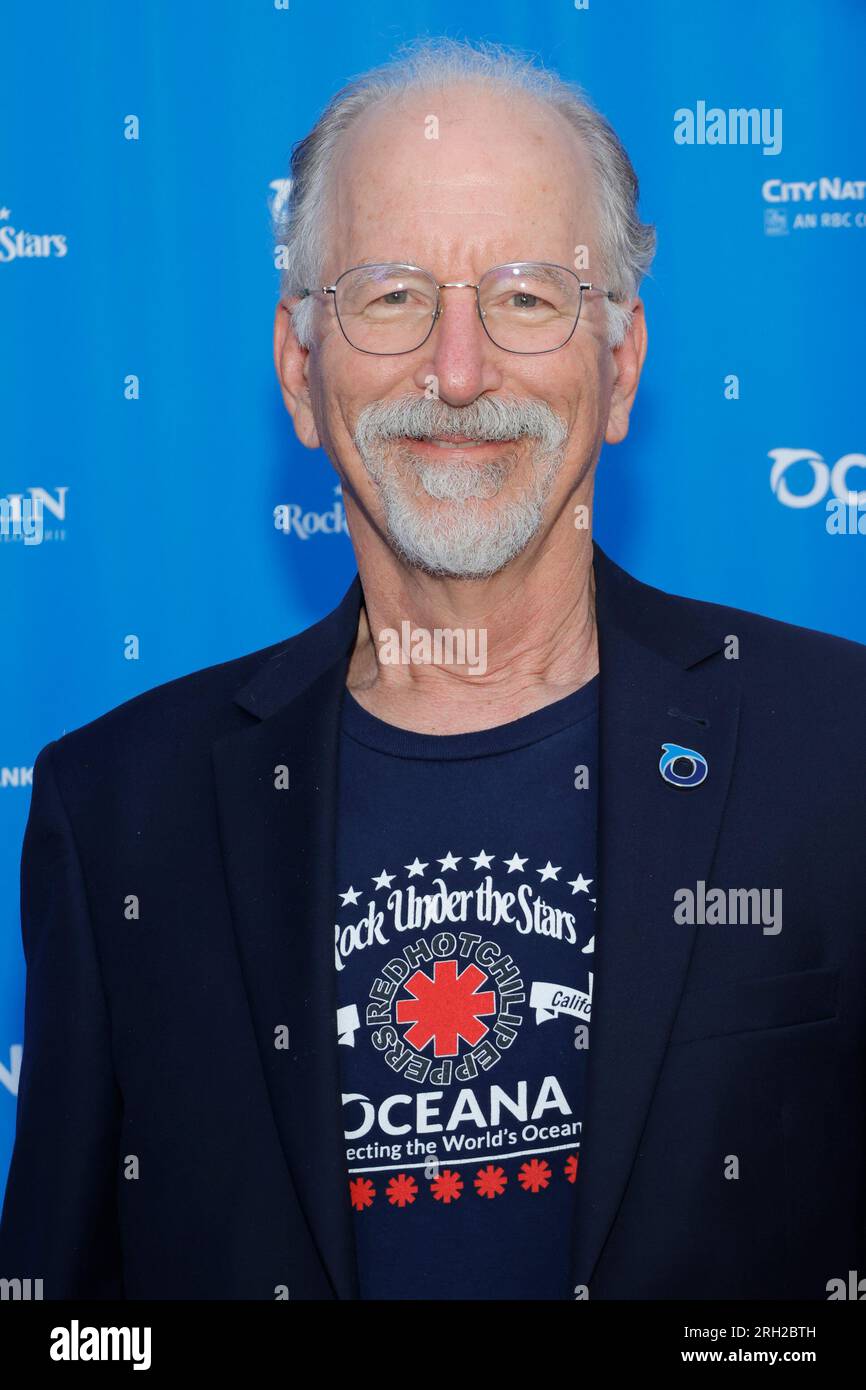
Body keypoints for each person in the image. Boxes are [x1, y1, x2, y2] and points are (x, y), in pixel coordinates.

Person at [1, 36, 864, 1301]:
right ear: (302, 372)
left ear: (618, 367)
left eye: (525, 296)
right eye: (392, 295)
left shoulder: (838, 749)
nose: (456, 374)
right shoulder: (120, 810)